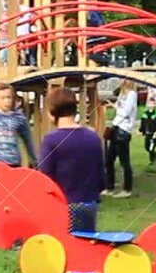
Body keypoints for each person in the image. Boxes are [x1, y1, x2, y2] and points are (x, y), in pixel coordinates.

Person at [38, 88, 106, 234]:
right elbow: (101, 175)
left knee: (63, 250)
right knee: (85, 245)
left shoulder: (51, 140)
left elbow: (45, 178)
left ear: (51, 112)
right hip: (89, 203)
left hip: (63, 205)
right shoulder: (93, 137)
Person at [103, 80, 139, 198]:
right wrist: (113, 105)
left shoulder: (132, 94)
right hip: (116, 127)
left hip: (124, 130)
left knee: (124, 161)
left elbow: (125, 112)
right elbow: (120, 109)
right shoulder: (122, 94)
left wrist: (116, 107)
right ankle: (110, 187)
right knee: (109, 159)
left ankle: (127, 189)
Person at [141, 90, 156, 166]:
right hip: (147, 133)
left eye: (152, 103)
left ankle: (152, 161)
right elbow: (143, 123)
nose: (151, 105)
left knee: (151, 147)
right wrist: (141, 130)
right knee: (146, 147)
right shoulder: (145, 114)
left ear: (155, 105)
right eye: (149, 103)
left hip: (154, 134)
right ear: (147, 104)